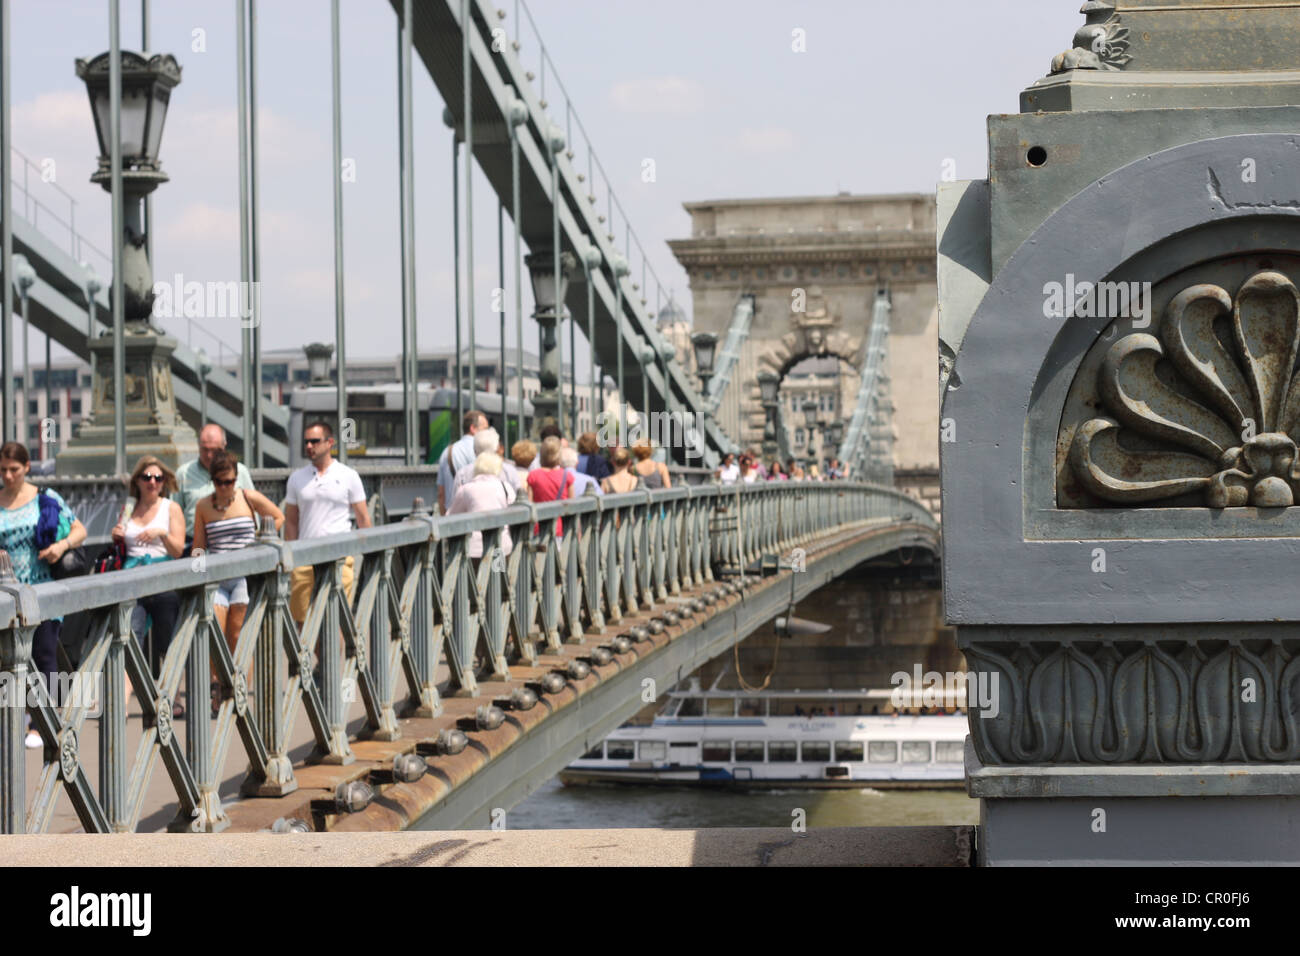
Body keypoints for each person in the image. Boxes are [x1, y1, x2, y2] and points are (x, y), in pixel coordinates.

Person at [0, 442, 87, 747]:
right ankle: (14, 721)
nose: (8, 476)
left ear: (26, 467)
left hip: (41, 587)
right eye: (3, 470)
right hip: (5, 592)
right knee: (8, 659)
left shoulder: (45, 498)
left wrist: (59, 547)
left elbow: (79, 530)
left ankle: (41, 724)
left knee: (43, 654)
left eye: (14, 469)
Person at [192, 451, 284, 716]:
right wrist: (195, 577)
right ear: (213, 482)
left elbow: (277, 517)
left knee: (237, 636)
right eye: (220, 482)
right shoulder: (203, 507)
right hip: (218, 577)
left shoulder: (248, 497)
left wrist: (261, 539)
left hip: (245, 577)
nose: (226, 487)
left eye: (230, 481)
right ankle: (220, 686)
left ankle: (240, 689)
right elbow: (199, 546)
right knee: (215, 634)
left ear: (236, 479)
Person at [113, 455, 186, 715]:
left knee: (167, 641)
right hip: (132, 580)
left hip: (163, 578)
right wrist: (117, 535)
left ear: (164, 482)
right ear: (138, 481)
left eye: (158, 478)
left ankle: (172, 699)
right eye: (147, 477)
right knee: (129, 639)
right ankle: (121, 703)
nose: (152, 482)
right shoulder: (129, 508)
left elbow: (179, 550)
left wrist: (162, 533)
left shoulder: (171, 508)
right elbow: (121, 541)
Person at [285, 421, 372, 628]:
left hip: (339, 557)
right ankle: (317, 661)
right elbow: (290, 521)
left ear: (330, 442)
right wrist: (290, 557)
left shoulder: (348, 476)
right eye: (306, 442)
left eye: (314, 441)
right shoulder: (296, 478)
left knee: (337, 619)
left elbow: (363, 518)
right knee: (302, 621)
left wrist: (371, 554)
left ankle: (331, 662)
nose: (309, 446)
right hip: (304, 557)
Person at [174, 424, 254, 541]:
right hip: (194, 541)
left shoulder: (241, 471)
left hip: (237, 544)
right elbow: (174, 516)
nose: (209, 455)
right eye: (205, 449)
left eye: (228, 482)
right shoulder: (184, 474)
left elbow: (273, 516)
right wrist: (196, 558)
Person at [445, 451, 515, 559]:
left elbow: (451, 516)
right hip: (500, 547)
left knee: (476, 576)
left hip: (474, 550)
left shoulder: (466, 489)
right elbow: (516, 513)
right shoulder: (505, 487)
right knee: (499, 574)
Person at [437, 409, 489, 514]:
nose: (487, 433)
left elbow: (441, 493)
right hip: (477, 515)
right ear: (473, 428)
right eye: (485, 429)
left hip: (452, 517)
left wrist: (444, 518)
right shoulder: (482, 451)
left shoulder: (447, 452)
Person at [526, 436, 574, 534]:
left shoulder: (533, 475)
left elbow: (529, 504)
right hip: (560, 528)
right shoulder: (567, 475)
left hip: (538, 528)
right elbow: (572, 505)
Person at [451, 427, 501, 498]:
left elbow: (455, 503)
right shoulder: (508, 471)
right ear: (497, 449)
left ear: (474, 451)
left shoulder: (462, 474)